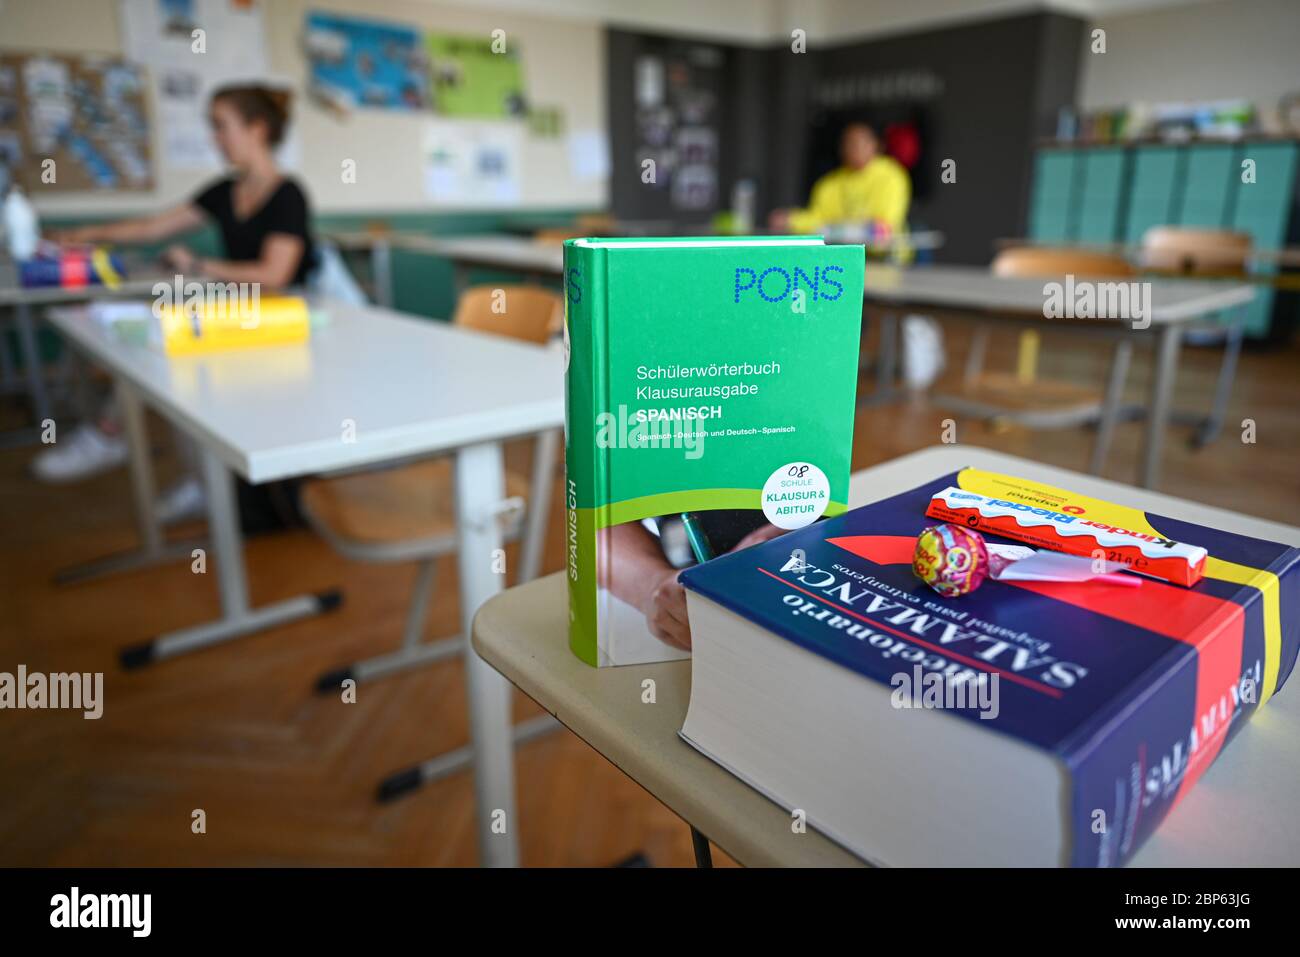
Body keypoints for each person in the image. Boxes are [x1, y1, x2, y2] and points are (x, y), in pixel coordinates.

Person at [33, 84, 315, 522]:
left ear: (257, 129)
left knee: (171, 346)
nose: (215, 138)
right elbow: (151, 227)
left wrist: (198, 264)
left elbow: (274, 275)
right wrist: (86, 234)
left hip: (287, 316)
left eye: (222, 127)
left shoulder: (288, 194)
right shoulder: (225, 192)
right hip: (242, 313)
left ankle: (117, 437)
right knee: (152, 337)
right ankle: (158, 457)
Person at [769, 122, 911, 240]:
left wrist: (832, 228)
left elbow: (882, 230)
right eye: (849, 144)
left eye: (861, 143)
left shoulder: (891, 176)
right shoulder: (829, 183)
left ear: (876, 145)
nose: (855, 149)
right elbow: (816, 219)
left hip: (884, 259)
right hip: (841, 257)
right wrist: (791, 220)